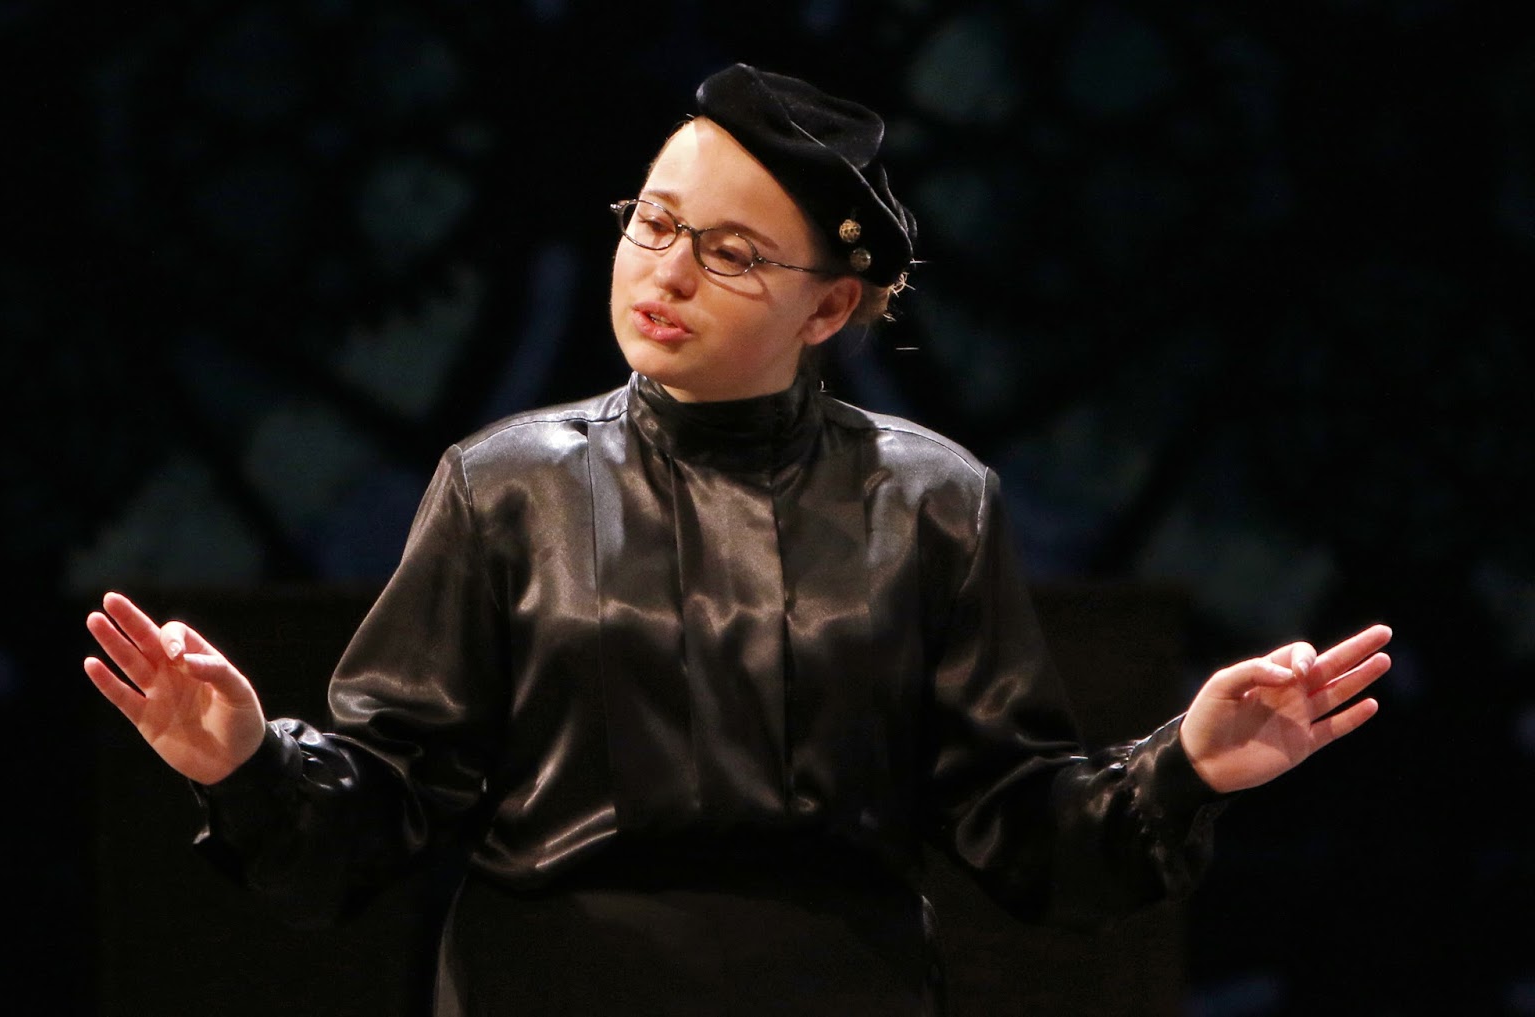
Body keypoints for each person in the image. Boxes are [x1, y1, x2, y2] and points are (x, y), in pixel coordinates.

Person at [83, 63, 1392, 1016]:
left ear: (828, 308)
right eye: (653, 223)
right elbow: (384, 805)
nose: (664, 272)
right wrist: (250, 763)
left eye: (729, 253)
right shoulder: (505, 484)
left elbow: (1018, 827)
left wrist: (1185, 767)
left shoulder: (931, 499)